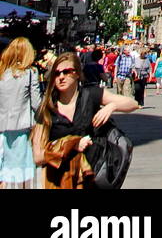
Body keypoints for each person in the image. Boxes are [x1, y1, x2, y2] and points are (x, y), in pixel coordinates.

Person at [31, 50, 138, 189]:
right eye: (56, 73)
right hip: (60, 181)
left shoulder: (91, 95)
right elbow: (38, 156)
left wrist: (112, 106)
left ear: (76, 73)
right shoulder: (47, 108)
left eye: (66, 72)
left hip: (92, 175)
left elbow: (133, 104)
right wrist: (70, 145)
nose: (61, 77)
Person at [0, 38, 40, 189]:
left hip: (1, 128)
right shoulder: (30, 74)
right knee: (18, 174)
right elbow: (36, 103)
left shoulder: (1, 73)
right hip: (20, 129)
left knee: (3, 172)